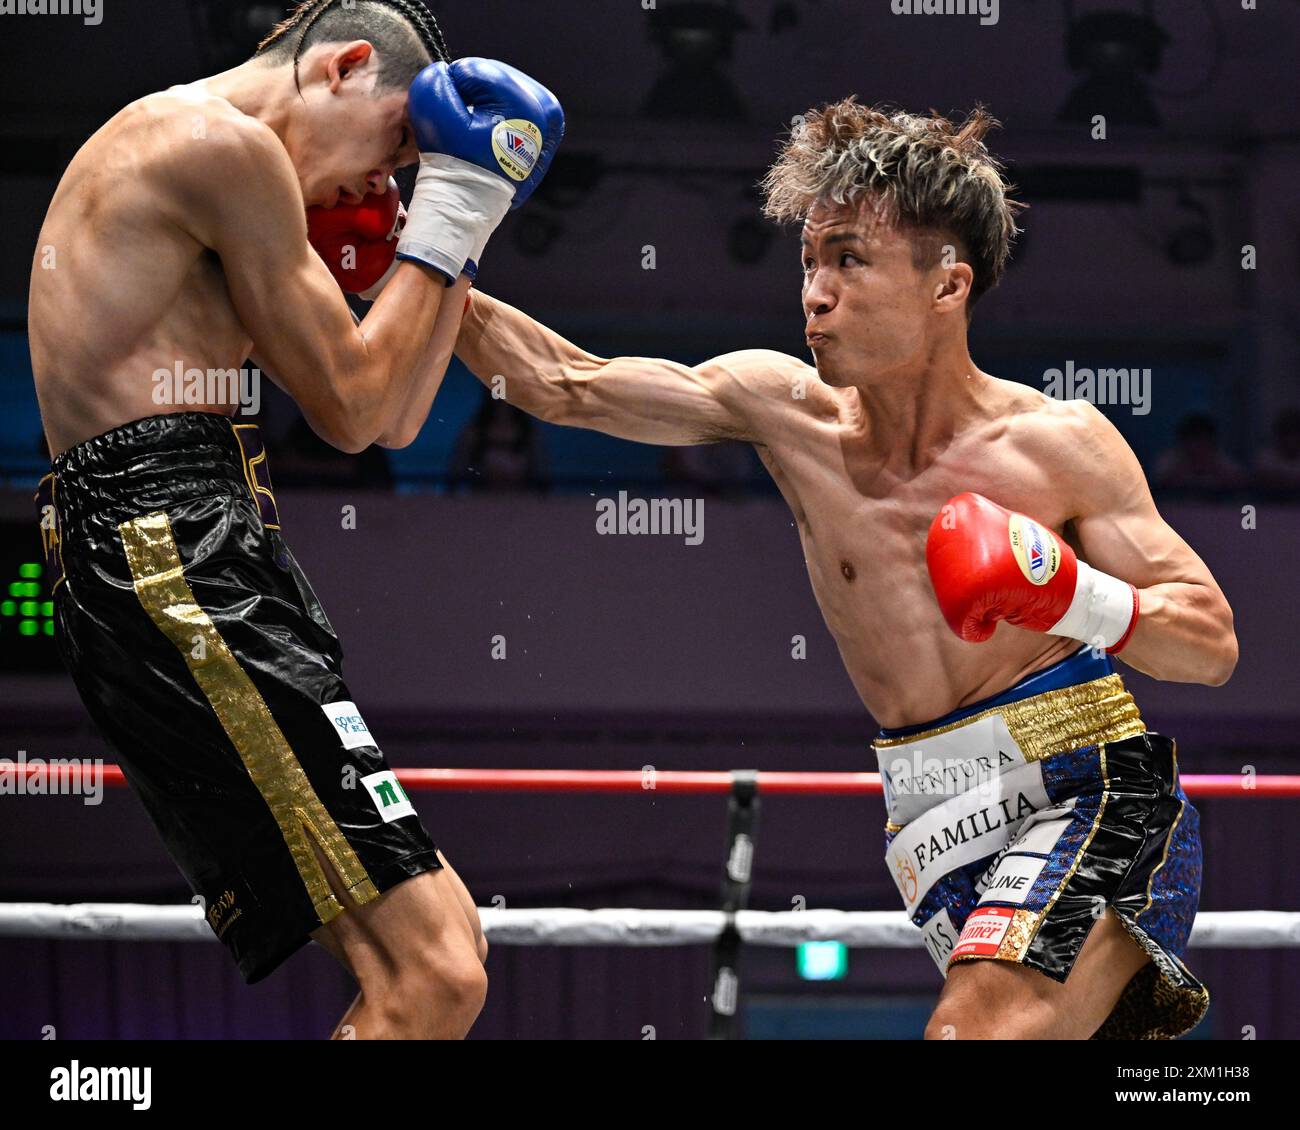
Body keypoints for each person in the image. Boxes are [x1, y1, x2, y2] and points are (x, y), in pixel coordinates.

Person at [454, 100, 1237, 1039]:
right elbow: (560, 382)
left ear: (948, 285)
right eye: (810, 261)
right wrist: (426, 252)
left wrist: (1069, 591)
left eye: (849, 261)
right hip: (934, 829)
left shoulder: (1057, 446)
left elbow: (1210, 644)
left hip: (1092, 790)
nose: (814, 292)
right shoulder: (784, 410)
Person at [27, 0, 563, 1039]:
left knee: (453, 938)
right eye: (402, 143)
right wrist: (457, 196)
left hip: (204, 546)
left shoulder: (224, 182)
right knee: (433, 972)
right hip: (166, 549)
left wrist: (459, 226)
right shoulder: (217, 145)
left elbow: (391, 419)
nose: (386, 181)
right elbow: (358, 402)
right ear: (345, 64)